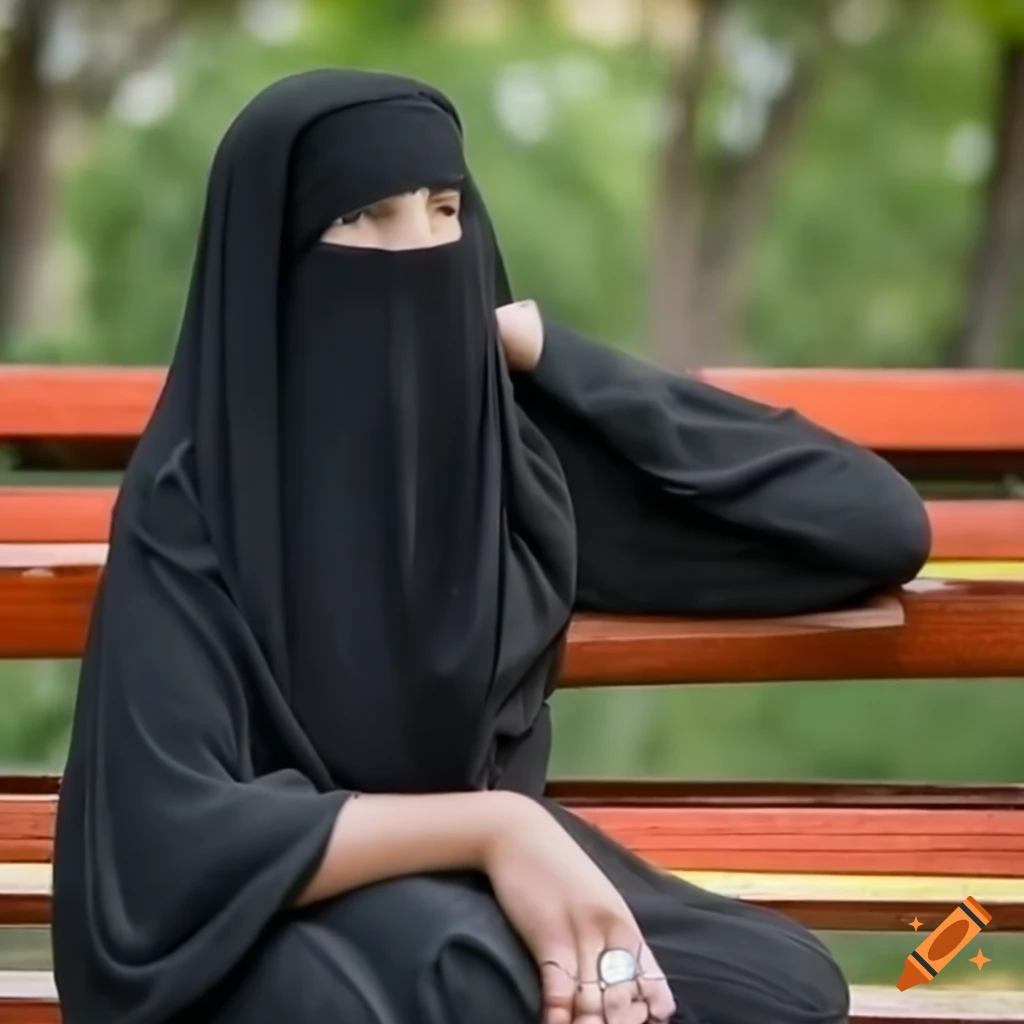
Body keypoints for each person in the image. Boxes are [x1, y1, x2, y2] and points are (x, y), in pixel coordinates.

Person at [51, 69, 930, 1024]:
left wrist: (551, 350)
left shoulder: (508, 474)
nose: (419, 250)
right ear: (274, 262)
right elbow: (166, 837)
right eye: (364, 220)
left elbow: (872, 526)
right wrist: (491, 827)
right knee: (457, 971)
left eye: (443, 211)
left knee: (783, 987)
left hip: (484, 893)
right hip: (267, 922)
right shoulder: (198, 493)